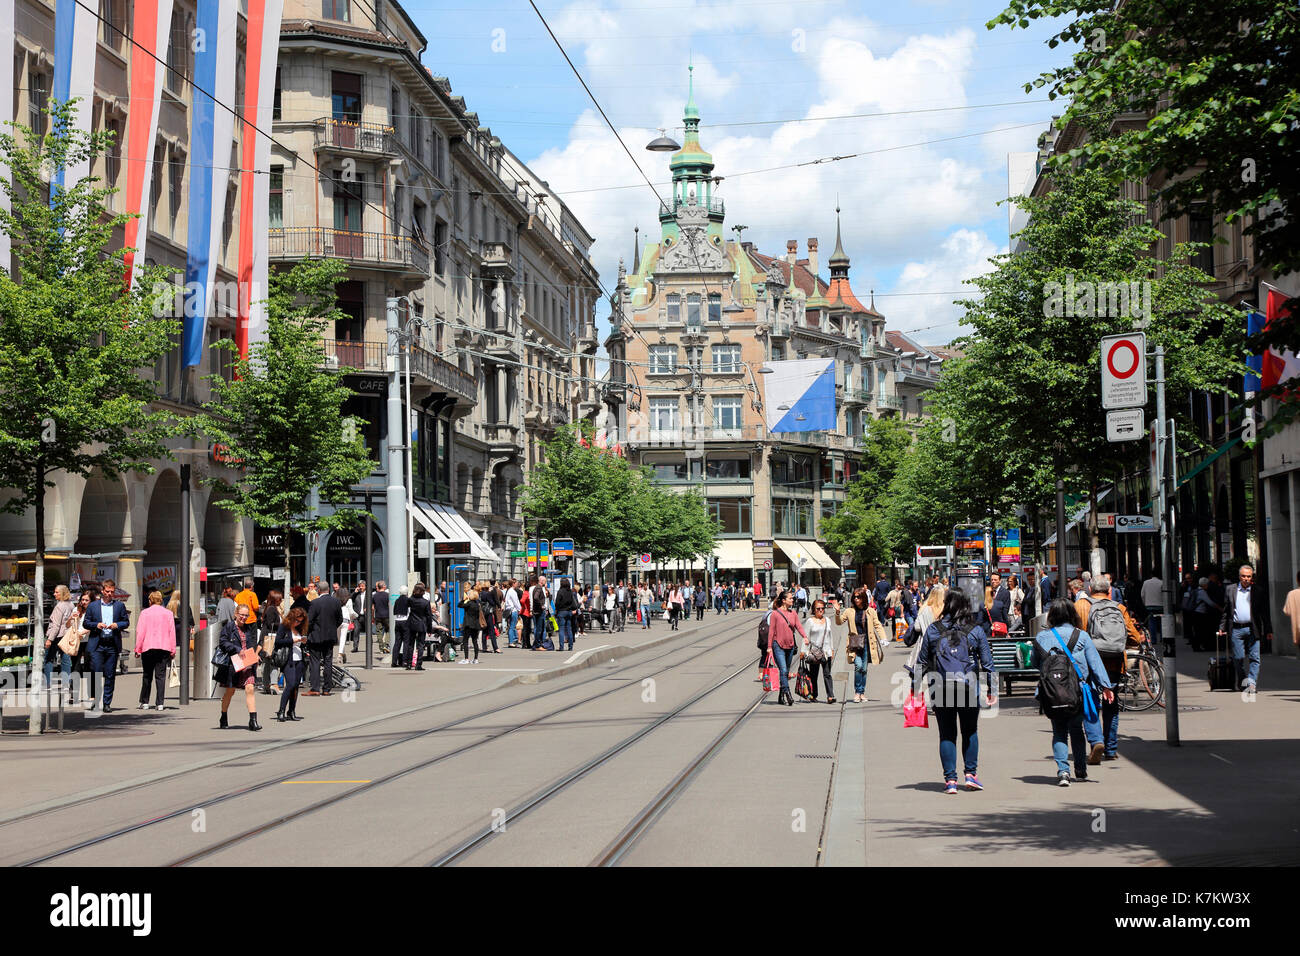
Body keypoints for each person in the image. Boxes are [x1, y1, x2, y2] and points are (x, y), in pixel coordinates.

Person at [914, 589, 996, 794]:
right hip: (968, 688)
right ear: (966, 606)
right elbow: (988, 663)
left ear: (947, 604)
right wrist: (992, 690)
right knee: (970, 731)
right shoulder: (975, 630)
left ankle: (950, 780)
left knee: (946, 734)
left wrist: (915, 690)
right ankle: (971, 775)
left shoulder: (934, 629)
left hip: (940, 688)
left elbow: (921, 662)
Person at [1031, 598, 1115, 786]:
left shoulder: (1041, 637)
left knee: (1059, 731)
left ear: (1051, 616)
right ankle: (1080, 769)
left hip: (1052, 692)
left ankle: (1063, 772)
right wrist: (1106, 686)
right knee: (1076, 730)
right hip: (1077, 692)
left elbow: (1035, 662)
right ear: (1072, 614)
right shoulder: (1081, 636)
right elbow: (1095, 663)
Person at [1217, 563, 1272, 694]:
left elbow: (1265, 612)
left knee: (1255, 658)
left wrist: (1269, 630)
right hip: (1236, 629)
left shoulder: (1258, 590)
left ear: (1252, 577)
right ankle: (1242, 682)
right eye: (1243, 576)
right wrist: (1222, 627)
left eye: (1249, 576)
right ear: (1239, 577)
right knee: (1238, 658)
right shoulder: (1230, 589)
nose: (1246, 579)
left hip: (1253, 629)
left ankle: (1251, 684)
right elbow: (1226, 611)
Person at [85, 579, 130, 714]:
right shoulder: (93, 606)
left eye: (112, 592)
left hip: (112, 643)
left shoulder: (119, 606)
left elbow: (126, 622)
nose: (110, 594)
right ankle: (96, 701)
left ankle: (107, 703)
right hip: (97, 644)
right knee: (96, 672)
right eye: (108, 591)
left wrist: (118, 625)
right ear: (102, 591)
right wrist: (96, 625)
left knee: (110, 675)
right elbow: (86, 623)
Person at [216, 603, 261, 730]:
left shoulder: (249, 628)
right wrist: (236, 649)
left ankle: (253, 721)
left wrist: (256, 655)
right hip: (234, 664)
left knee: (250, 689)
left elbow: (252, 644)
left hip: (247, 664)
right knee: (230, 692)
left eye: (246, 615)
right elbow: (223, 642)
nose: (244, 617)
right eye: (242, 615)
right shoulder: (229, 626)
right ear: (236, 614)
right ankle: (223, 716)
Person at [133, 591, 177, 711]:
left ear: (150, 601)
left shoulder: (145, 613)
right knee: (160, 676)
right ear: (161, 600)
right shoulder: (168, 613)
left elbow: (140, 632)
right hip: (163, 647)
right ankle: (160, 703)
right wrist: (173, 649)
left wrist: (138, 648)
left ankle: (145, 701)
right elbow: (172, 632)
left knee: (147, 675)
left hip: (148, 647)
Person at [767, 590, 808, 707]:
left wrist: (804, 636)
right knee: (784, 670)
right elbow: (771, 631)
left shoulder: (793, 613)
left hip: (790, 645)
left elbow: (798, 626)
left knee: (785, 673)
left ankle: (781, 696)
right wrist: (769, 647)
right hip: (778, 645)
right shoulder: (775, 613)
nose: (792, 600)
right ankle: (788, 694)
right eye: (790, 598)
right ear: (783, 600)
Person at [304, 582, 343, 695]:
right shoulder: (336, 602)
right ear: (328, 589)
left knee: (315, 662)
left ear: (319, 590)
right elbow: (340, 619)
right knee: (328, 661)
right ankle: (327, 688)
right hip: (330, 636)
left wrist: (307, 633)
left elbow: (309, 621)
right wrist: (332, 628)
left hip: (316, 636)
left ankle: (315, 688)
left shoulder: (315, 603)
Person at [274, 607, 309, 721]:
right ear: (291, 618)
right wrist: (293, 641)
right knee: (290, 685)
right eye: (297, 620)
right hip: (288, 660)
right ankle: (281, 711)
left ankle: (291, 711)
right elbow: (278, 642)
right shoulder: (284, 627)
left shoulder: (299, 629)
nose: (298, 623)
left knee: (295, 687)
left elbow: (301, 645)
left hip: (299, 659)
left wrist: (303, 642)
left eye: (300, 621)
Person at [906, 584, 948, 677]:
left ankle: (915, 690)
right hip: (941, 645)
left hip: (924, 643)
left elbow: (917, 627)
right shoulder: (944, 610)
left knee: (918, 673)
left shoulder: (925, 609)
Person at [800, 598, 836, 704]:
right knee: (813, 675)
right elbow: (806, 637)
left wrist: (832, 649)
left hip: (826, 651)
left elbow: (830, 636)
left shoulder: (828, 620)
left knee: (827, 674)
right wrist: (803, 651)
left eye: (822, 608)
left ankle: (830, 696)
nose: (821, 610)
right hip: (814, 652)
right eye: (818, 608)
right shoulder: (810, 621)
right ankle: (813, 695)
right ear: (814, 610)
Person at [42, 585, 78, 689]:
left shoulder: (59, 606)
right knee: (65, 660)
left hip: (56, 636)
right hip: (66, 636)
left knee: (48, 659)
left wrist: (49, 639)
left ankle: (48, 683)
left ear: (62, 593)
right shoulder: (71, 604)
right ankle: (66, 683)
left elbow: (56, 625)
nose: (54, 594)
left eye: (57, 592)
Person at [259, 590, 283, 695]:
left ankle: (266, 685)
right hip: (270, 638)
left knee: (267, 661)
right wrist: (283, 624)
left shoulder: (269, 608)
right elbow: (271, 624)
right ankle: (273, 684)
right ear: (275, 599)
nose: (281, 601)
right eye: (280, 599)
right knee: (273, 660)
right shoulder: (272, 609)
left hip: (267, 637)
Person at [1193, 576, 1221, 653]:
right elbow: (1210, 603)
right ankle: (1197, 647)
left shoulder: (1196, 590)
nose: (1208, 586)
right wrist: (1219, 608)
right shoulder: (1202, 592)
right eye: (1207, 584)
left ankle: (1197, 646)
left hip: (1196, 613)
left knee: (1197, 630)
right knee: (1200, 630)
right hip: (1200, 614)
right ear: (1204, 584)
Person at [407, 583, 432, 668]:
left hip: (412, 623)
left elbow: (409, 602)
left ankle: (409, 664)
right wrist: (429, 629)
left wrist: (412, 594)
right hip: (422, 624)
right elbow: (429, 616)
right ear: (423, 592)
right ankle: (419, 664)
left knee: (410, 644)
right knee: (420, 645)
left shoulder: (411, 600)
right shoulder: (425, 602)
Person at [458, 585, 483, 664]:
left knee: (465, 641)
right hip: (476, 625)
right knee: (474, 641)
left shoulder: (468, 603)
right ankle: (476, 659)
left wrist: (464, 599)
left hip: (468, 624)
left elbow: (459, 605)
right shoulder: (477, 604)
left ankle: (466, 658)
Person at [391, 585, 411, 666]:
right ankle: (404, 661)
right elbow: (410, 611)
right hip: (405, 621)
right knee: (406, 642)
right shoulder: (408, 600)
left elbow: (394, 611)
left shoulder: (397, 600)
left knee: (397, 642)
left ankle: (394, 661)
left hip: (397, 621)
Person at [529, 575, 550, 649]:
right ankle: (538, 645)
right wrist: (541, 605)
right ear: (542, 581)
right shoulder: (538, 588)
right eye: (545, 581)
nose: (545, 582)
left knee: (538, 628)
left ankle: (537, 644)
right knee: (539, 629)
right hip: (539, 611)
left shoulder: (537, 587)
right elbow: (536, 597)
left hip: (537, 611)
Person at [372, 581, 391, 655]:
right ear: (383, 587)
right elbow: (389, 605)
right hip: (387, 615)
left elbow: (373, 608)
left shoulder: (375, 595)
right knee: (388, 630)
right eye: (385, 585)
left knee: (379, 632)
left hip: (378, 615)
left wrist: (373, 617)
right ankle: (386, 644)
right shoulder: (387, 595)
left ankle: (381, 647)